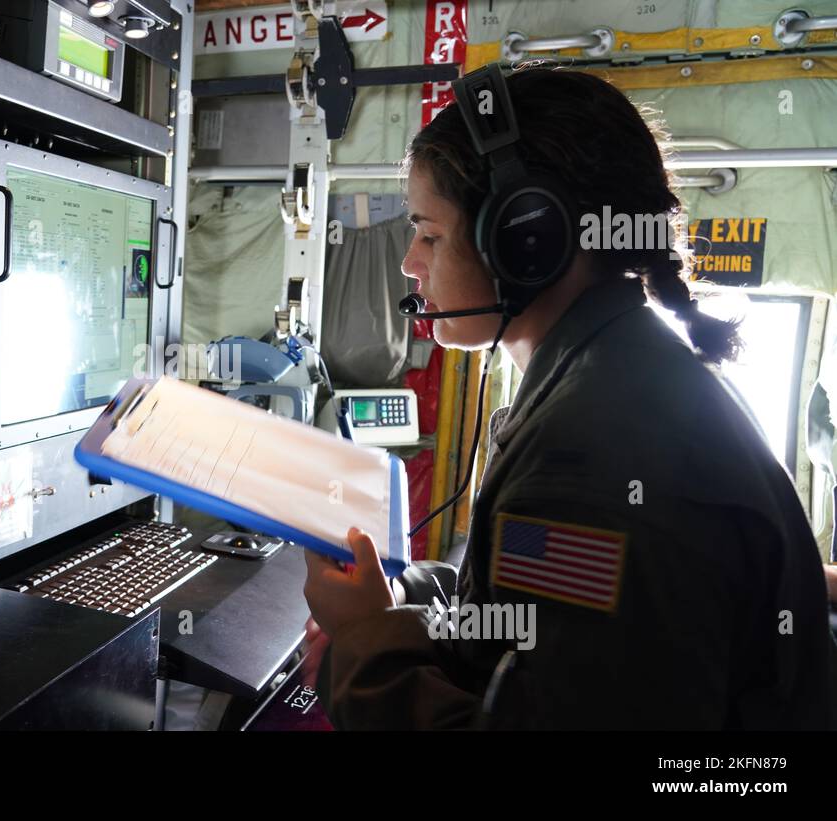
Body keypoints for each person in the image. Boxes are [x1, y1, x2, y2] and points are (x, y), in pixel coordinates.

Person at [302, 65, 837, 730]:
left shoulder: (588, 466)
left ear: (527, 241)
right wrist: (407, 600)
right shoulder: (618, 379)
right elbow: (531, 618)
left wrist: (358, 650)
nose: (411, 261)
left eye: (429, 232)